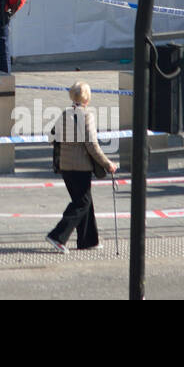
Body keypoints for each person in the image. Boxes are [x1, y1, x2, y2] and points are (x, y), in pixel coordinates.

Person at [46, 82, 118, 252]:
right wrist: (108, 163)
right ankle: (57, 236)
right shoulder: (86, 116)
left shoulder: (64, 114)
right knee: (82, 203)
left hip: (65, 166)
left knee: (86, 202)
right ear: (87, 97)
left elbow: (51, 137)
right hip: (81, 168)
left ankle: (88, 240)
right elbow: (92, 145)